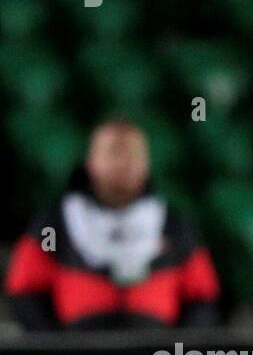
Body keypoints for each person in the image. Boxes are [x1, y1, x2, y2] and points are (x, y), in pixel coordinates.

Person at [5, 119, 219, 330]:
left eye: (133, 154)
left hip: (156, 352)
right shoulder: (53, 224)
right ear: (91, 162)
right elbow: (24, 291)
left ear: (147, 164)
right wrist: (55, 351)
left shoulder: (175, 226)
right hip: (78, 351)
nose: (124, 163)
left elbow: (202, 296)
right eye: (114, 152)